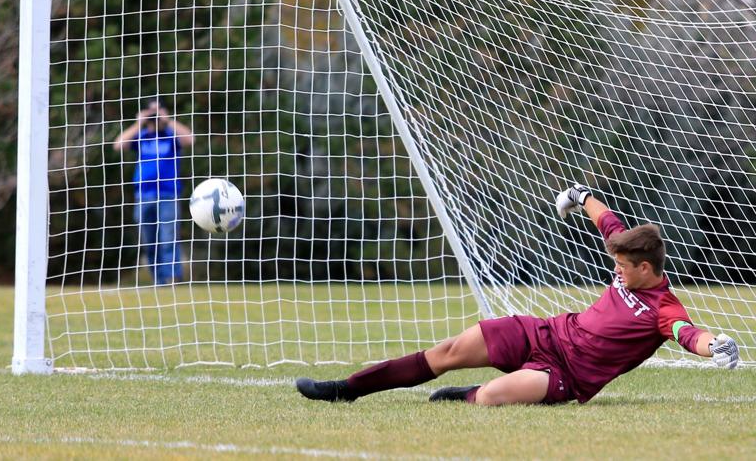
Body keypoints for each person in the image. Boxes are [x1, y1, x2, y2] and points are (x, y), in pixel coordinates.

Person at [296, 184, 740, 405]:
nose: (616, 270)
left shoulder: (663, 308)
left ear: (646, 268)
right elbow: (606, 221)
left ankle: (470, 392)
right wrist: (579, 194)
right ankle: (346, 389)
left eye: (623, 267)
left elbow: (686, 332)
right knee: (446, 350)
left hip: (567, 377)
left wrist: (714, 345)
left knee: (490, 400)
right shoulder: (628, 251)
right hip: (543, 333)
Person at [114, 98, 194, 285]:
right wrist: (139, 122)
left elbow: (190, 139)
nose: (155, 116)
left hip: (168, 193)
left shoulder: (170, 134)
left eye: (157, 112)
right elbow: (118, 145)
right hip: (144, 194)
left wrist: (168, 120)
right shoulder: (141, 136)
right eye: (152, 112)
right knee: (149, 241)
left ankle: (172, 277)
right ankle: (159, 280)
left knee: (168, 238)